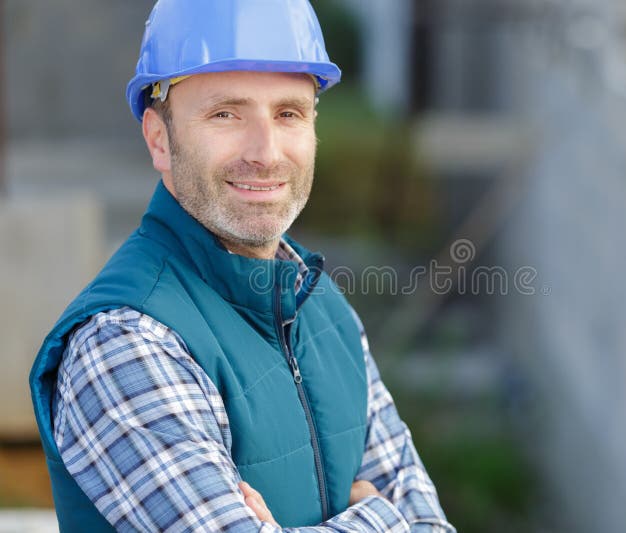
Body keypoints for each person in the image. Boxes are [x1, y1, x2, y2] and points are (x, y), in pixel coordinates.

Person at [28, 1, 454, 531]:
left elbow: (432, 525)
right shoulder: (126, 341)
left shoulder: (325, 312)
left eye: (289, 114)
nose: (266, 152)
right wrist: (381, 521)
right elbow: (407, 519)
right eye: (226, 114)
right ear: (160, 139)